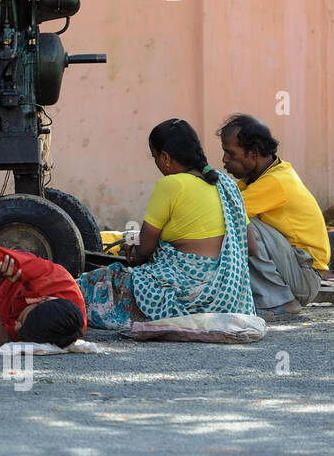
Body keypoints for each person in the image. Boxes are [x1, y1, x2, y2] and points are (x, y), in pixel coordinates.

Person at [77, 118, 262, 341]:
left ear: (165, 158)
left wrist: (135, 251)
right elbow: (250, 247)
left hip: (184, 294)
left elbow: (144, 252)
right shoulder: (227, 185)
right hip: (227, 300)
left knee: (95, 285)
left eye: (155, 157)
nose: (157, 163)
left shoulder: (171, 185)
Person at [218, 114, 329, 313]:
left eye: (230, 153)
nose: (224, 159)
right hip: (295, 268)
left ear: (254, 153)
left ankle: (281, 302)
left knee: (237, 220)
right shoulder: (255, 180)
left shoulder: (276, 182)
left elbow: (220, 210)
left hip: (304, 276)